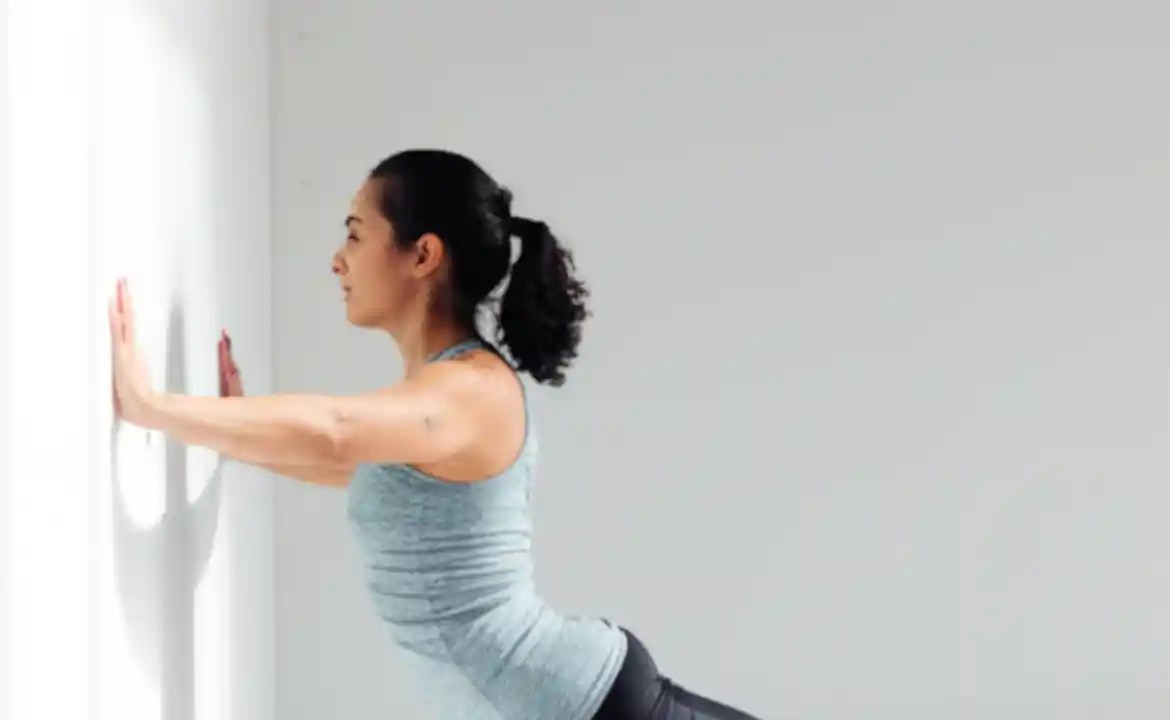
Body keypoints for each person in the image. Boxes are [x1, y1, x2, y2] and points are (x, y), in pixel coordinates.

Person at [110, 149, 761, 719]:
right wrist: (229, 429)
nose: (337, 260)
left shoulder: (470, 392)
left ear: (422, 254)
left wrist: (152, 405)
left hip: (582, 706)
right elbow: (343, 464)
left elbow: (336, 432)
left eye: (357, 235)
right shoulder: (443, 399)